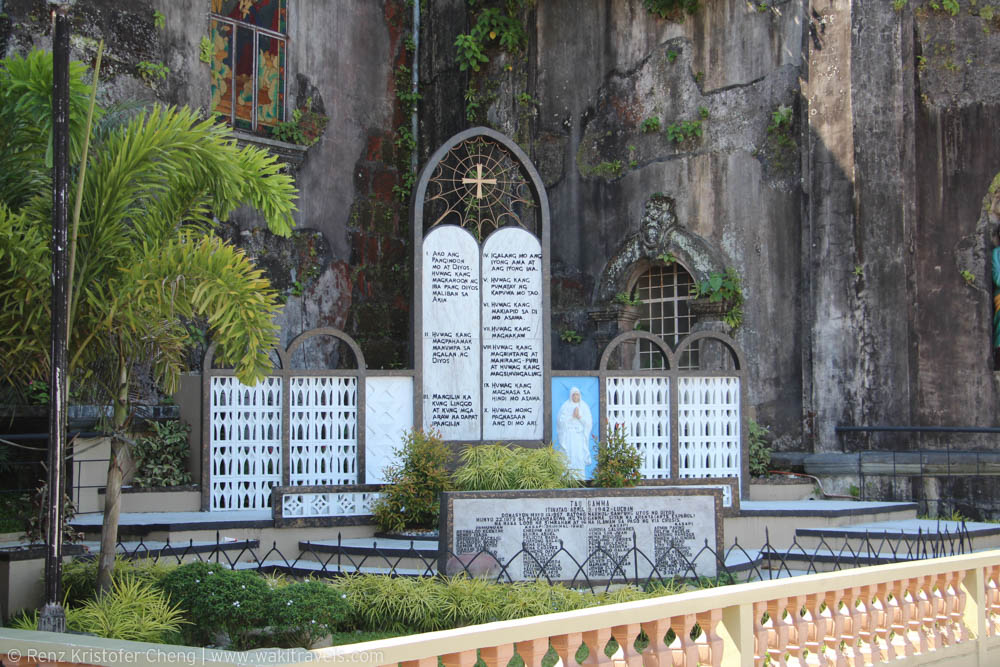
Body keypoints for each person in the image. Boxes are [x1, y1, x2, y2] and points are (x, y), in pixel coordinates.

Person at [556, 387, 593, 475]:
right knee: (569, 455)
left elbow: (588, 423)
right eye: (574, 395)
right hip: (569, 435)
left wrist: (579, 417)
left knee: (578, 456)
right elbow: (561, 422)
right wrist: (572, 416)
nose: (576, 397)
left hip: (579, 436)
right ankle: (568, 477)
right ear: (571, 396)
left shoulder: (584, 406)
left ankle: (579, 476)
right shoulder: (566, 406)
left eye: (577, 395)